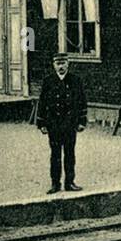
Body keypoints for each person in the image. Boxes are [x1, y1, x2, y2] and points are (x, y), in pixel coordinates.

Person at [36, 53, 88, 194]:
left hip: (70, 124)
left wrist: (82, 121)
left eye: (63, 63)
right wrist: (41, 123)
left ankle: (69, 182)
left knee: (70, 154)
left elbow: (82, 101)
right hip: (54, 124)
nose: (60, 67)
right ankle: (55, 183)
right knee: (55, 155)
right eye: (58, 64)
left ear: (68, 64)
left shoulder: (75, 80)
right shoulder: (48, 81)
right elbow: (42, 102)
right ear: (54, 65)